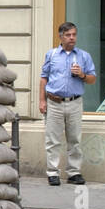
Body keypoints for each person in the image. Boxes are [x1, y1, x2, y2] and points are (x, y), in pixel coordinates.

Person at [39, 21, 97, 187]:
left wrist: (82, 75)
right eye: (68, 35)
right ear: (61, 37)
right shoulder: (51, 55)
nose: (72, 38)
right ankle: (52, 173)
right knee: (53, 140)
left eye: (74, 35)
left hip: (74, 102)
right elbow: (44, 78)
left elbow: (92, 79)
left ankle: (74, 172)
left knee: (74, 139)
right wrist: (42, 100)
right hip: (54, 102)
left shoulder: (84, 56)